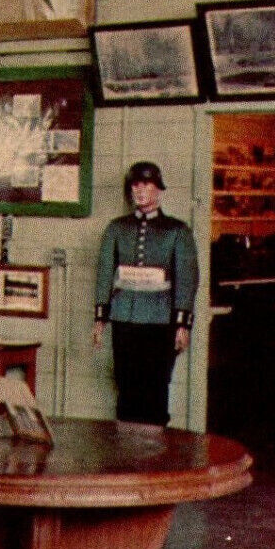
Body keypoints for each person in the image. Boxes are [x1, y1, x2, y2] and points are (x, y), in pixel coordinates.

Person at [92, 161, 198, 426]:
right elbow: (105, 272)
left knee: (156, 386)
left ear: (159, 190)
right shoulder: (117, 228)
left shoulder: (177, 231)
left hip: (160, 321)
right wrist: (100, 318)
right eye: (135, 186)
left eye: (146, 185)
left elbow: (186, 280)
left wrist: (182, 325)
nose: (140, 191)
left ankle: (154, 448)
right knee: (126, 385)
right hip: (124, 319)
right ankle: (125, 446)